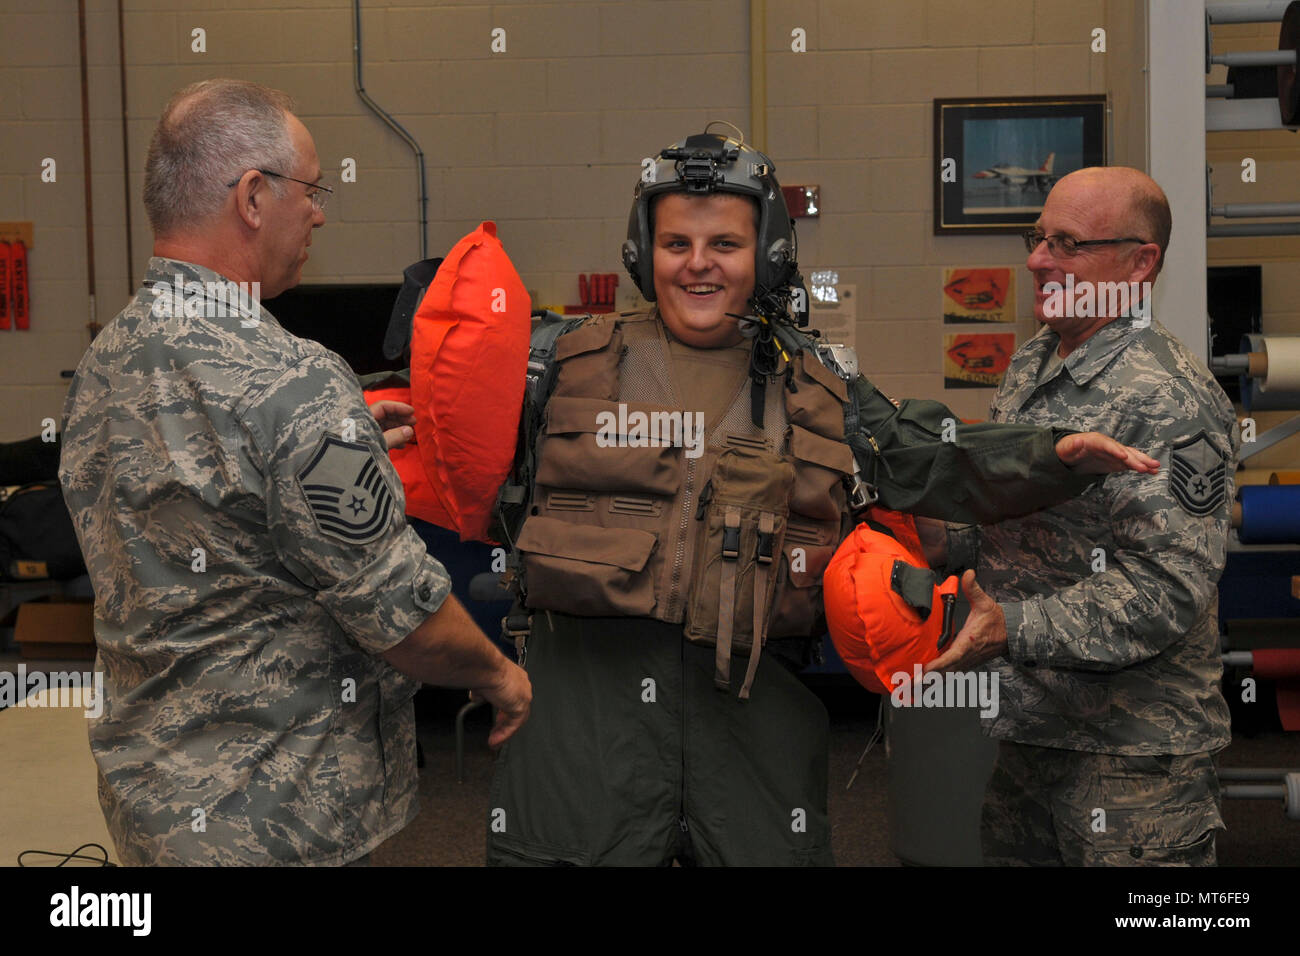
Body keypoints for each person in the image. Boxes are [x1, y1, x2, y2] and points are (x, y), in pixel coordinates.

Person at [484, 130, 1158, 866]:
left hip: (752, 744)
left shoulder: (814, 382)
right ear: (644, 253)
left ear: (767, 254)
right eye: (676, 242)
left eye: (726, 244)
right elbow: (452, 466)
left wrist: (1048, 454)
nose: (699, 264)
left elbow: (929, 457)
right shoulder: (558, 367)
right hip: (581, 746)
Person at [57, 79, 530, 866]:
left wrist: (342, 439)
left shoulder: (107, 360)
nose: (317, 212)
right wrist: (502, 677)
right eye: (311, 190)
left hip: (153, 808)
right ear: (252, 196)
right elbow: (403, 618)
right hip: (277, 821)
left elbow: (202, 498)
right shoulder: (293, 382)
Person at [926, 166, 1237, 866]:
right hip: (1033, 734)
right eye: (1038, 238)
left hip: (1134, 763)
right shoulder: (1035, 364)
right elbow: (1006, 518)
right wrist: (922, 523)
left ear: (1140, 262)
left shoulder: (1171, 398)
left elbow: (1166, 590)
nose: (1037, 260)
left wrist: (1014, 627)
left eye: (1067, 244)